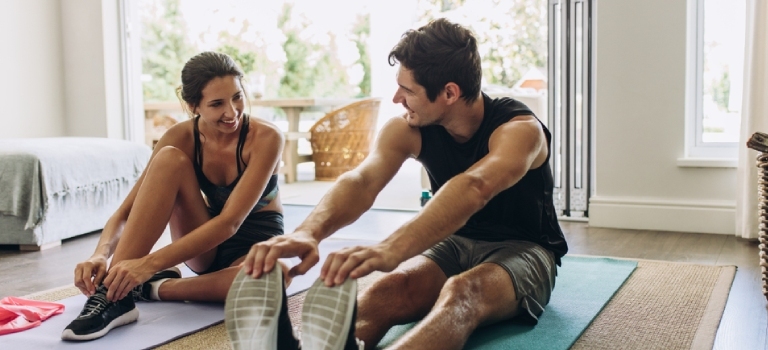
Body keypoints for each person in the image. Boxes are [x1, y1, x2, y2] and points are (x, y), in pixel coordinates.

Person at [226, 18, 568, 350]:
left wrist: (391, 248)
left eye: (408, 90)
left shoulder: (520, 131)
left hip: (525, 249)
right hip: (455, 243)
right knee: (387, 289)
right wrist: (308, 232)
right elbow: (362, 181)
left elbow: (474, 187)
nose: (396, 99)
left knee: (462, 294)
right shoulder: (408, 128)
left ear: (449, 92)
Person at [62, 51, 287, 341]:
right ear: (193, 105)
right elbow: (127, 211)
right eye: (217, 104)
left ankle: (149, 288)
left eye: (237, 97)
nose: (232, 112)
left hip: (254, 245)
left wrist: (147, 267)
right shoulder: (180, 137)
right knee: (168, 159)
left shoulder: (267, 138)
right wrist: (100, 254)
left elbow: (230, 223)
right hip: (203, 240)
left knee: (273, 278)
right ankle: (112, 296)